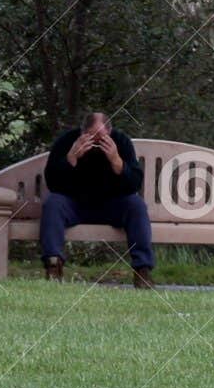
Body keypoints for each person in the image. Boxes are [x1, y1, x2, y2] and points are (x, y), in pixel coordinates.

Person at [41, 111, 155, 288]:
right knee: (53, 204)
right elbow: (53, 183)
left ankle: (142, 270)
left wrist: (116, 161)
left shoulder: (121, 142)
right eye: (91, 137)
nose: (96, 142)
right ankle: (53, 266)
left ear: (109, 132)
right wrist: (71, 158)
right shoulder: (66, 141)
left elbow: (134, 184)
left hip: (112, 206)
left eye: (101, 138)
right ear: (82, 132)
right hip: (75, 205)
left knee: (136, 204)